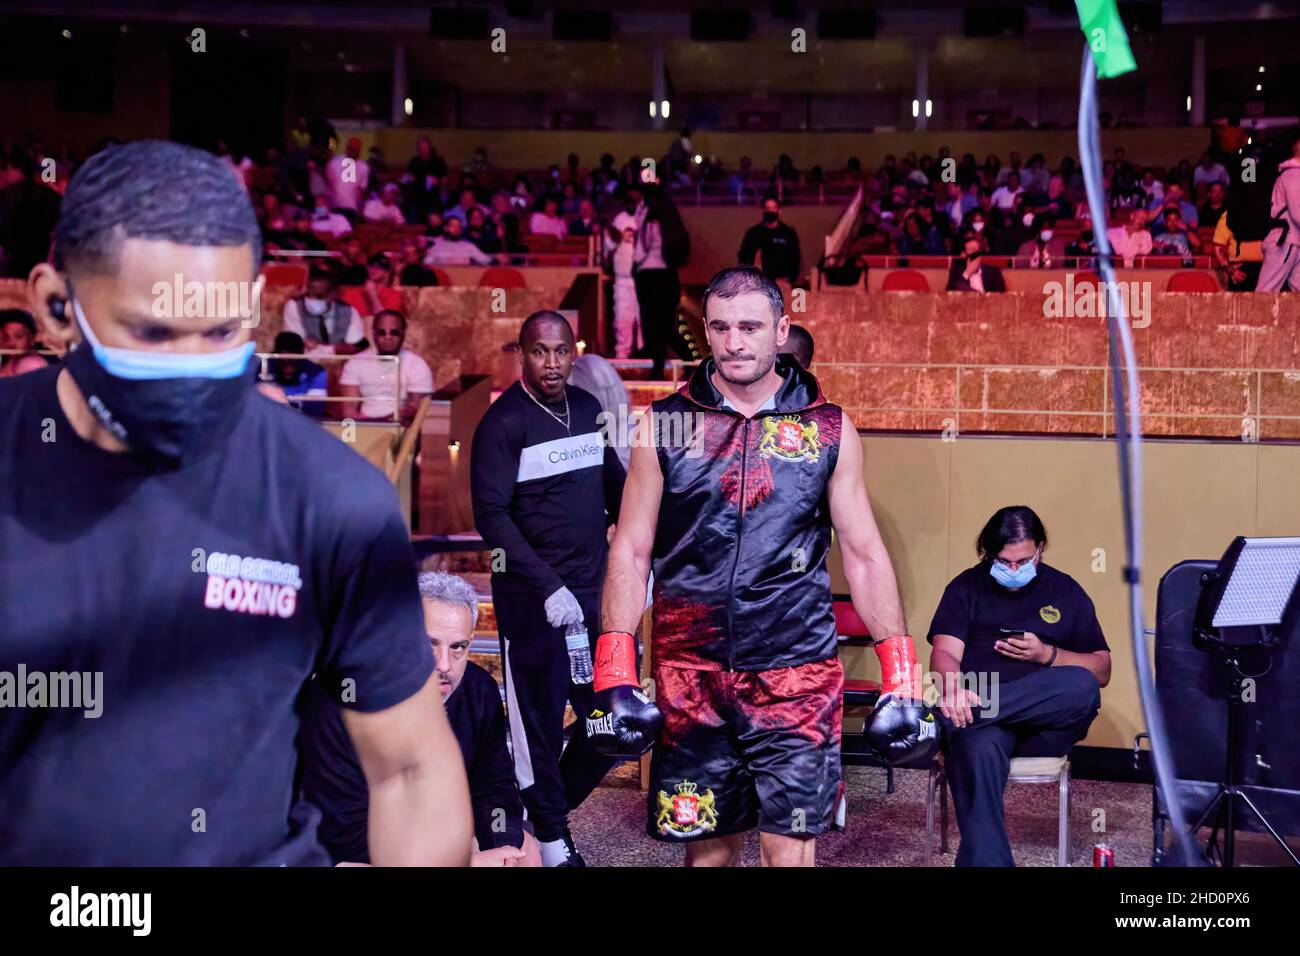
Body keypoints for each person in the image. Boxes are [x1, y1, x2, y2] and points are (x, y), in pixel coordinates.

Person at [0, 139, 471, 865]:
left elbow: (410, 772)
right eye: (153, 332)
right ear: (57, 306)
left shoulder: (332, 497)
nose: (192, 369)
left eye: (219, 332)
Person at [597, 266, 935, 867]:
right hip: (691, 675)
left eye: (750, 326)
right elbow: (631, 547)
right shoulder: (665, 424)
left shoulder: (827, 428)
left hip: (795, 674)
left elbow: (862, 552)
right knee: (709, 851)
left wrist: (901, 673)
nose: (734, 342)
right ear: (705, 331)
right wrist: (615, 668)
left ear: (781, 330)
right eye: (721, 327)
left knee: (790, 845)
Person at [469, 311, 627, 867]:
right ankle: (556, 842)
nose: (553, 363)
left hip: (591, 596)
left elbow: (617, 487)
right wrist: (546, 584)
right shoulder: (502, 423)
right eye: (541, 352)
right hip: (532, 601)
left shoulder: (587, 410)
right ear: (522, 353)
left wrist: (636, 556)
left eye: (562, 352)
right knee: (536, 728)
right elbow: (491, 516)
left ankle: (537, 814)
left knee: (614, 721)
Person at [299, 571, 542, 867]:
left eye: (457, 647)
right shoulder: (337, 700)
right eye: (429, 644)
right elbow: (342, 831)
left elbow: (492, 785)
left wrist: (502, 844)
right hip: (346, 847)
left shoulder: (478, 690)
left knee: (524, 849)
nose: (444, 665)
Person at [929, 506, 1109, 866]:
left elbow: (1102, 670)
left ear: (1040, 548)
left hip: (1042, 723)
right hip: (984, 724)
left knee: (1081, 685)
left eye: (1022, 561)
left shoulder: (1066, 590)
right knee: (977, 748)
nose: (1013, 570)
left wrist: (1046, 654)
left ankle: (949, 719)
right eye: (1004, 561)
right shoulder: (966, 588)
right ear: (988, 552)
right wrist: (951, 691)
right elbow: (945, 654)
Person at [634, 186, 692, 380]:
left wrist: (634, 265)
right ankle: (689, 360)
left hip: (650, 276)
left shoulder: (649, 221)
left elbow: (641, 250)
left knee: (652, 324)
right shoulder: (671, 221)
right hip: (668, 276)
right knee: (667, 325)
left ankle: (658, 367)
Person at [338, 310, 433, 424]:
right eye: (381, 332)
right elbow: (349, 407)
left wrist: (387, 421)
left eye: (394, 332)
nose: (388, 337)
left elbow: (417, 407)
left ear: (403, 334)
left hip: (400, 425)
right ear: (373, 334)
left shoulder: (417, 364)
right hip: (363, 425)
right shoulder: (355, 362)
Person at [282, 269, 369, 358]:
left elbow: (351, 348)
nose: (311, 300)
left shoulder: (348, 312)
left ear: (332, 295)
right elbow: (296, 350)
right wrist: (333, 349)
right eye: (309, 294)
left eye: (319, 296)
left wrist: (321, 348)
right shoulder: (294, 306)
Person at [1257, 130, 1300, 293]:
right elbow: (1297, 212)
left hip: (1294, 242)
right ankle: (1253, 319)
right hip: (1285, 241)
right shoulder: (1294, 175)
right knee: (1265, 293)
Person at [738, 195, 801, 286]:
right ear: (762, 210)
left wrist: (790, 280)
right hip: (758, 285)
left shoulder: (789, 233)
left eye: (774, 208)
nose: (770, 211)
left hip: (783, 284)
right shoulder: (753, 234)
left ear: (779, 210)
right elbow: (743, 259)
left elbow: (796, 259)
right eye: (767, 208)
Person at [262, 331, 328, 418]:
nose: (288, 368)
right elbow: (259, 409)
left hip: (302, 425)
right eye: (283, 362)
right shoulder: (264, 369)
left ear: (301, 356)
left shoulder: (316, 372)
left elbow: (315, 411)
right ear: (275, 355)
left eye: (293, 361)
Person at [610, 226, 641, 360]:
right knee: (623, 319)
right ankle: (622, 351)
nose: (629, 236)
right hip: (622, 284)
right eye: (626, 234)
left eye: (631, 234)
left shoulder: (640, 248)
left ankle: (643, 350)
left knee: (642, 320)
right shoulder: (616, 247)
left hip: (639, 283)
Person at [424, 216, 496, 266]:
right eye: (453, 226)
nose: (457, 229)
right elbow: (426, 264)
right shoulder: (436, 247)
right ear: (445, 228)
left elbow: (485, 260)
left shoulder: (468, 246)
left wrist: (496, 258)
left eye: (458, 226)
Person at [0, 308, 48, 377]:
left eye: (19, 336)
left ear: (32, 339)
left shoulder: (31, 363)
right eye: (6, 337)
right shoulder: (8, 360)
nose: (11, 343)